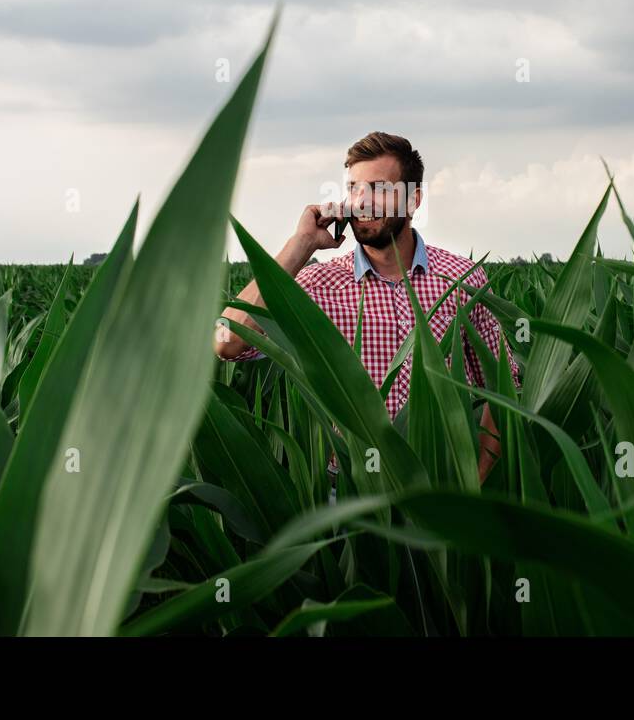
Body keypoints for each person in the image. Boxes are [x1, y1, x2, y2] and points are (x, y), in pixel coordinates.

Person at [213, 131, 520, 493]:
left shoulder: (461, 279)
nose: (361, 201)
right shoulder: (319, 285)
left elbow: (504, 387)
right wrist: (301, 245)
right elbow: (227, 342)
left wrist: (476, 481)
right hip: (349, 492)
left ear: (413, 200)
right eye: (354, 188)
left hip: (444, 488)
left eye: (378, 188)